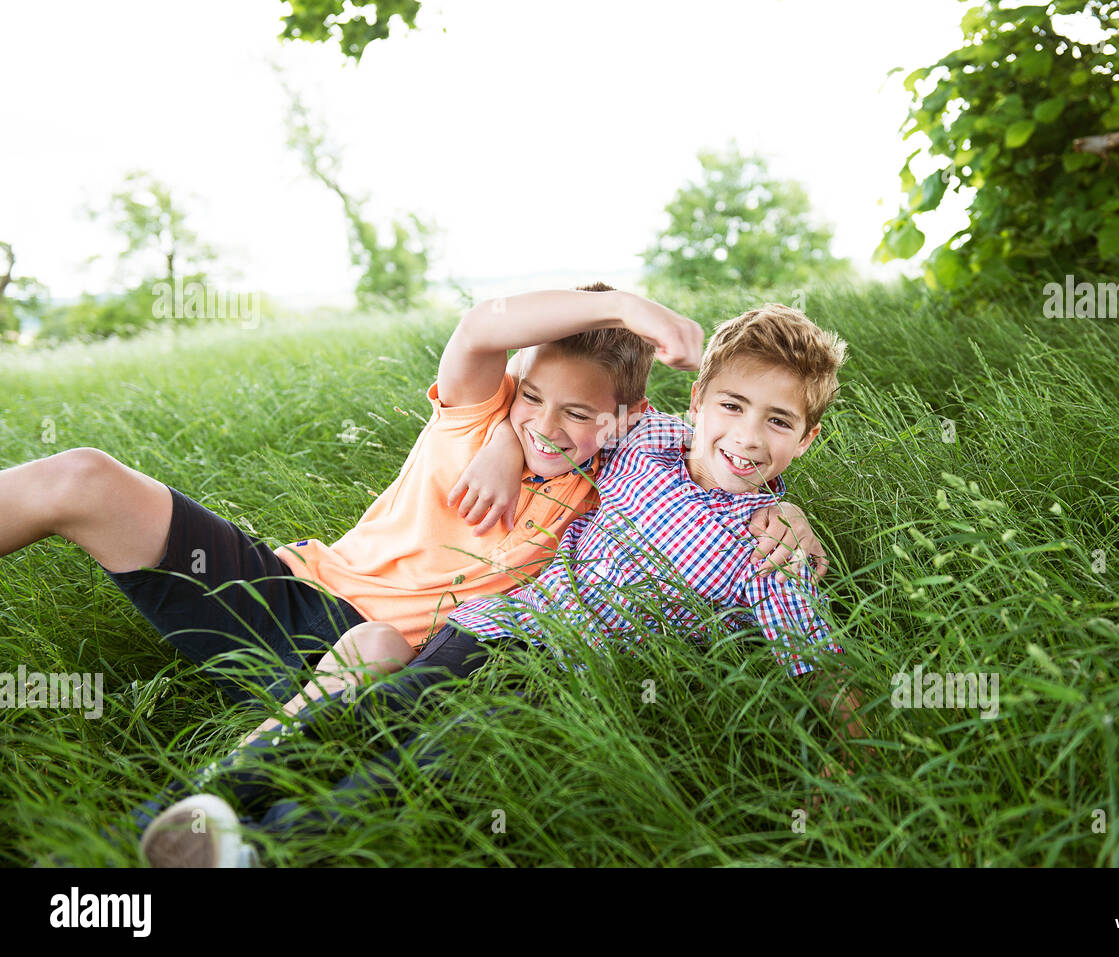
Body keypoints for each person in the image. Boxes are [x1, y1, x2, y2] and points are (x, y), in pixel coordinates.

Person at [138, 300, 868, 867]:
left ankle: (266, 851)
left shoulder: (771, 551)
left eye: (778, 422)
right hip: (492, 627)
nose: (746, 437)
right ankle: (192, 813)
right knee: (370, 717)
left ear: (805, 440)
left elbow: (819, 663)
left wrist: (844, 767)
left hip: (574, 680)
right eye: (734, 407)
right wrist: (498, 441)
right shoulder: (647, 441)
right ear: (700, 398)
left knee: (432, 762)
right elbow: (558, 415)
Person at [0, 284, 825, 712]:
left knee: (381, 661)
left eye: (576, 413)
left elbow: (728, 445)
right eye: (530, 397)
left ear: (619, 420)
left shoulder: (618, 471)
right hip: (287, 594)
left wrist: (787, 509)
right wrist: (621, 306)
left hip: (392, 662)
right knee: (83, 476)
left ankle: (247, 775)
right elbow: (480, 326)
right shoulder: (476, 414)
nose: (544, 423)